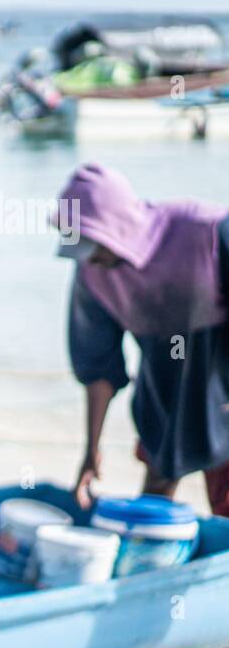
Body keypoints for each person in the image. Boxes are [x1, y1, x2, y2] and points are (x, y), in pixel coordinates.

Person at [58, 163, 229, 513]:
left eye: (95, 245)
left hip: (221, 385)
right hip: (163, 396)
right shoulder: (93, 276)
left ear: (117, 226)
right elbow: (99, 368)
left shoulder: (206, 231)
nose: (91, 258)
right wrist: (91, 450)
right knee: (150, 512)